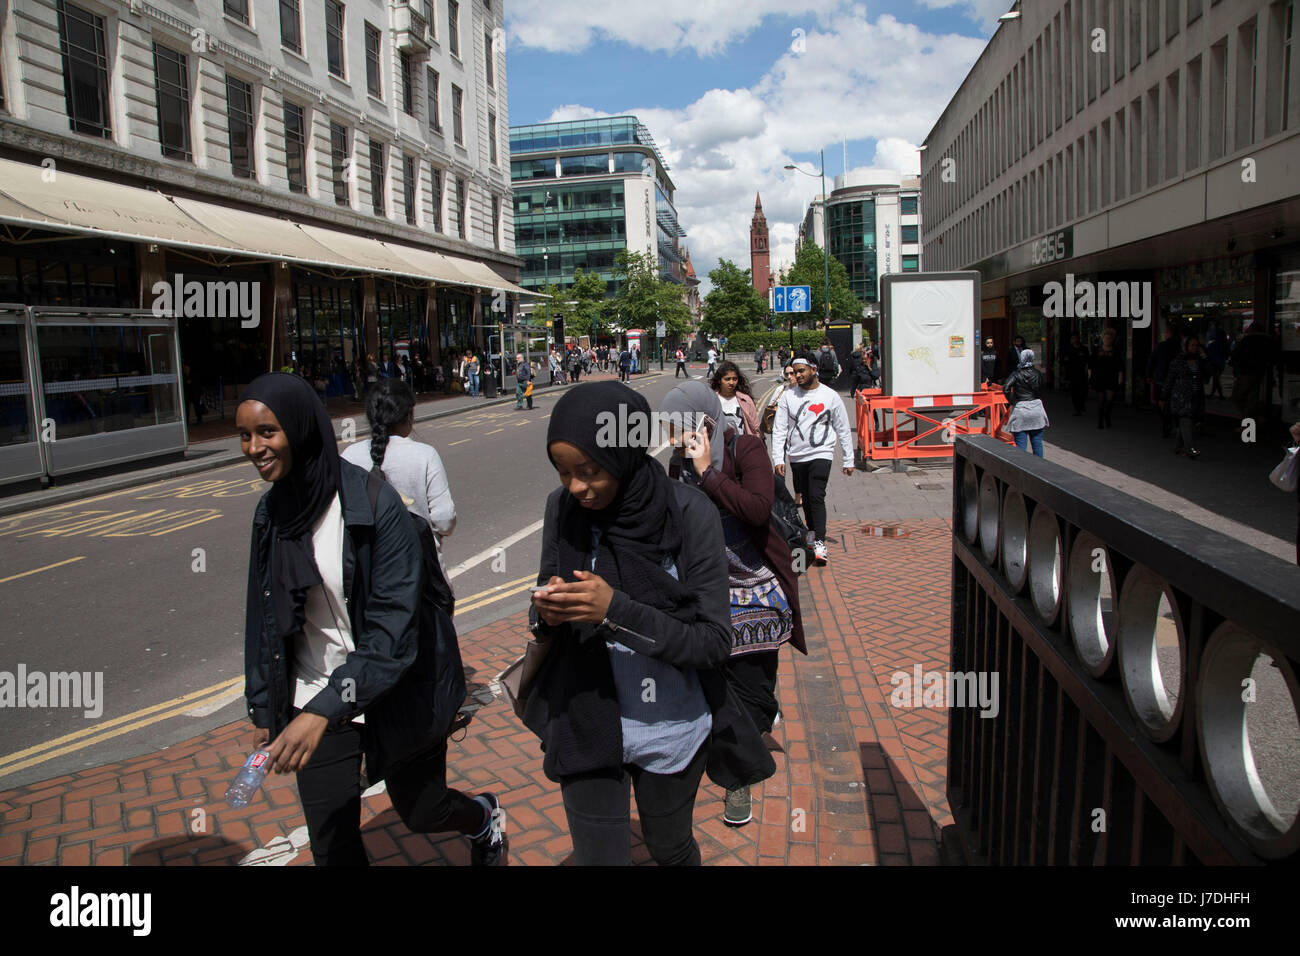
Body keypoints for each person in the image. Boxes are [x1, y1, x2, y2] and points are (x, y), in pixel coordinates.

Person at [236, 372, 504, 867]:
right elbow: (264, 614)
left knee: (423, 811)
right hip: (316, 690)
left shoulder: (377, 508)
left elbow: (393, 633)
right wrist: (265, 705)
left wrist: (324, 710)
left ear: (300, 429)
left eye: (267, 433)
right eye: (245, 436)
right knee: (332, 843)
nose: (254, 447)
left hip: (398, 687)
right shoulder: (270, 513)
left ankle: (483, 819)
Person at [525, 382, 775, 865]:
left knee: (670, 848)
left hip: (671, 728)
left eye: (589, 471)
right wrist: (547, 610)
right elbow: (543, 594)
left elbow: (712, 642)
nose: (576, 487)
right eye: (563, 473)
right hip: (584, 715)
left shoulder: (688, 511)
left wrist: (614, 611)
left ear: (622, 455)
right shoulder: (562, 510)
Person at [660, 382, 805, 826]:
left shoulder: (745, 450)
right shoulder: (677, 465)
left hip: (759, 589)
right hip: (711, 590)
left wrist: (708, 474)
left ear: (705, 422)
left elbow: (758, 510)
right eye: (668, 428)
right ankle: (736, 779)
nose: (673, 438)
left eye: (679, 427)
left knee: (755, 691)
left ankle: (760, 715)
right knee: (722, 689)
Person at [341, 378, 457, 597]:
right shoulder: (424, 455)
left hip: (364, 578)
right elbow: (445, 520)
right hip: (419, 577)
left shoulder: (349, 457)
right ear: (409, 415)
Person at [770, 358, 855, 566]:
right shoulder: (789, 396)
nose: (797, 375)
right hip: (797, 456)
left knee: (816, 496)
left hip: (821, 453)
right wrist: (778, 458)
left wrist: (848, 458)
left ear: (814, 370)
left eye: (801, 371)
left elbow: (843, 428)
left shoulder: (830, 396)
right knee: (806, 498)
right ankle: (812, 534)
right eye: (794, 372)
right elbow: (780, 429)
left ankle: (819, 543)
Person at [1161, 335, 1208, 459]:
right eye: (1192, 345)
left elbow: (1208, 373)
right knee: (1186, 420)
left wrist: (1204, 356)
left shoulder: (1199, 361)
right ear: (1186, 347)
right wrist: (1163, 396)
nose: (1194, 348)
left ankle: (1178, 447)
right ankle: (1190, 449)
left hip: (1196, 395)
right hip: (1181, 396)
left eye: (1196, 345)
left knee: (1187, 421)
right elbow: (1170, 379)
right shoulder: (1178, 361)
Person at [1003, 349, 1049, 457]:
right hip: (1037, 409)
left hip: (1021, 410)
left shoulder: (1016, 374)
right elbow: (1044, 389)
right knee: (1037, 443)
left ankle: (1021, 469)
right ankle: (1038, 469)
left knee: (1021, 445)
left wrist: (1013, 401)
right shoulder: (1038, 374)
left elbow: (1006, 388)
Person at [1147, 325, 1182, 438]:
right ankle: (1174, 423)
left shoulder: (1161, 346)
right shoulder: (1179, 347)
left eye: (1166, 332)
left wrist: (1149, 374)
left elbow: (1152, 360)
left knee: (1161, 402)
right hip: (1174, 379)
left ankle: (1167, 422)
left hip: (1161, 378)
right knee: (1173, 402)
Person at [710, 361, 760, 436]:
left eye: (734, 379)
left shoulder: (745, 400)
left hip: (741, 445)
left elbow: (755, 426)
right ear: (719, 380)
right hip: (719, 445)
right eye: (727, 379)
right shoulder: (711, 399)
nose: (731, 382)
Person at [1089, 328, 1123, 429]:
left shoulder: (1116, 351)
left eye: (1110, 338)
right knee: (1101, 399)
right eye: (1105, 338)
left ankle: (1107, 414)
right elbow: (1091, 364)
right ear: (1102, 338)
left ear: (1112, 339)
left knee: (1110, 399)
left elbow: (1120, 365)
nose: (1107, 340)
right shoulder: (1097, 350)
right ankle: (1100, 420)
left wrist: (1120, 377)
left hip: (1111, 377)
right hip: (1099, 377)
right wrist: (1090, 376)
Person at [1063, 334, 1090, 415]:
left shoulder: (1084, 349)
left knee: (1083, 391)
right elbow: (1065, 361)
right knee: (1074, 391)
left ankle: (1081, 405)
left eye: (1076, 338)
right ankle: (1077, 408)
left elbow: (1088, 360)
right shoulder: (1068, 349)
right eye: (1073, 338)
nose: (1074, 340)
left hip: (1082, 372)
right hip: (1072, 373)